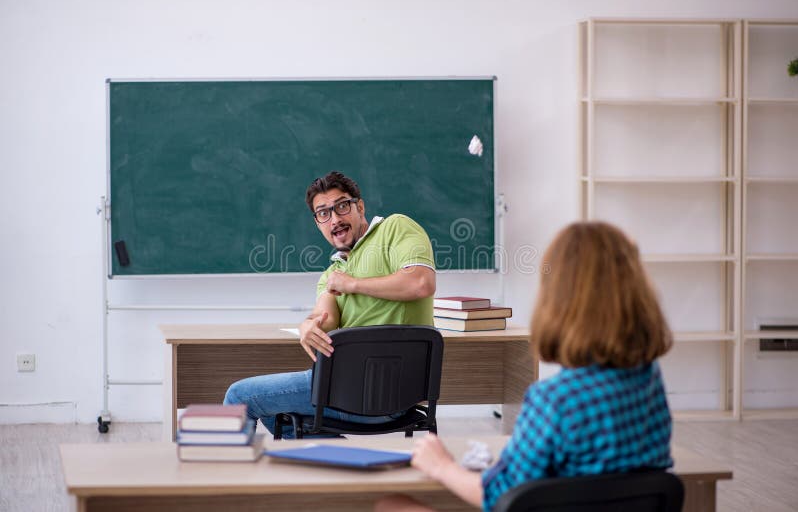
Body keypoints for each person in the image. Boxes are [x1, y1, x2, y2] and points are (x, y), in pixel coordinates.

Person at [376, 221, 674, 512]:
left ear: (558, 300)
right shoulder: (648, 378)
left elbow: (499, 496)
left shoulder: (555, 401)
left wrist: (442, 466)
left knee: (391, 504)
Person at [224, 171, 436, 437]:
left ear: (360, 206)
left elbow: (420, 283)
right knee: (278, 414)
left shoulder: (395, 228)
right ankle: (339, 466)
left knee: (238, 397)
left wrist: (353, 284)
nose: (335, 219)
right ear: (318, 223)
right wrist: (308, 326)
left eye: (342, 206)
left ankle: (229, 478)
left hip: (388, 390)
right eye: (324, 213)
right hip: (352, 393)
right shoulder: (332, 273)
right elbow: (325, 318)